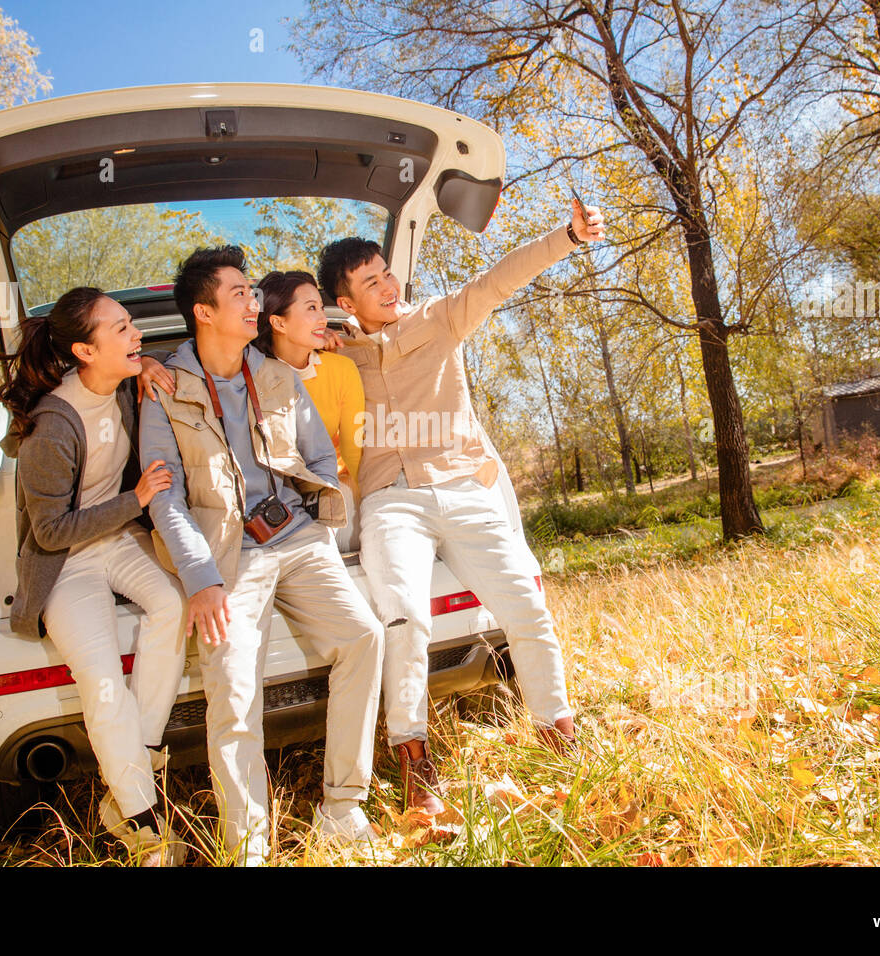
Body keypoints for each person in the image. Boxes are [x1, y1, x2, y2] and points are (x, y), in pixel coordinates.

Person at [317, 198, 606, 814]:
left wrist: (568, 238)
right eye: (372, 282)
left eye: (387, 273)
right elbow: (266, 346)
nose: (389, 286)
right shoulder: (337, 353)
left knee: (528, 610)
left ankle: (559, 734)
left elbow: (501, 277)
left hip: (461, 489)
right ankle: (414, 757)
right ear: (348, 303)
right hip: (392, 504)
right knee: (405, 619)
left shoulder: (441, 319)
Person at [138, 246, 384, 866]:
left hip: (297, 538)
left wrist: (320, 520)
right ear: (204, 310)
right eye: (241, 293)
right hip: (225, 558)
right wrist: (200, 579)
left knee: (364, 638)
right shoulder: (163, 389)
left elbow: (320, 458)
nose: (254, 303)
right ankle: (246, 848)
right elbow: (164, 501)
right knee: (233, 693)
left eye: (254, 293)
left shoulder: (275, 374)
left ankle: (342, 806)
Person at [0, 286, 189, 865]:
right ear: (84, 351)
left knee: (175, 606)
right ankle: (143, 822)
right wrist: (139, 497)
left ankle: (139, 755)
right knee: (101, 682)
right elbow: (49, 533)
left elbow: (172, 361)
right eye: (121, 330)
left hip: (118, 541)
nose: (136, 335)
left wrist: (144, 362)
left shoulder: (120, 385)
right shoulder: (52, 425)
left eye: (131, 326)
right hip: (66, 562)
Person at [252, 269, 366, 551]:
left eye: (321, 307)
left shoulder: (340, 369)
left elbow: (355, 452)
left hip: (330, 486)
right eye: (311, 308)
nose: (323, 318)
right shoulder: (251, 375)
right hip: (272, 499)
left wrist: (374, 504)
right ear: (278, 322)